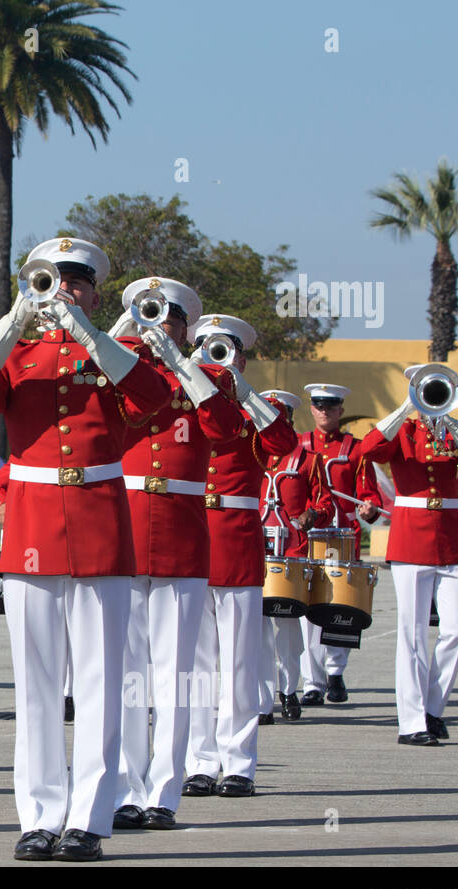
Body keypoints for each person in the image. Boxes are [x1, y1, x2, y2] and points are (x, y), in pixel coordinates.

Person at [0, 237, 171, 862]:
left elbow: (153, 400)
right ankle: (38, 817)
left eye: (77, 283)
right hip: (32, 527)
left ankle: (90, 818)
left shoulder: (118, 352)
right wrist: (16, 318)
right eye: (53, 281)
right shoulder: (16, 352)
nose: (65, 291)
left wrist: (91, 336)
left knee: (101, 682)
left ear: (96, 293)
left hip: (100, 523)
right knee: (37, 685)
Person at [109, 279, 244, 832]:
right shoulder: (119, 368)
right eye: (150, 315)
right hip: (125, 532)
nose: (158, 325)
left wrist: (180, 363)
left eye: (168, 318)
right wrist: (119, 334)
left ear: (188, 327)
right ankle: (122, 788)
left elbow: (229, 430)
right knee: (122, 674)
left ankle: (164, 791)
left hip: (184, 539)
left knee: (176, 675)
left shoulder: (211, 377)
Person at [182, 315, 297, 798]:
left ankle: (239, 764)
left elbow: (283, 444)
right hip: (191, 538)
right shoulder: (182, 401)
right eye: (207, 349)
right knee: (197, 664)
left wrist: (240, 386)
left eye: (225, 350)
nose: (216, 357)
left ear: (243, 357)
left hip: (237, 538)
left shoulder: (259, 408)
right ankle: (199, 762)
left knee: (240, 662)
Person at [356, 365, 458, 745]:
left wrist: (448, 417)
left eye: (436, 391)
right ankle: (412, 723)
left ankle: (432, 707)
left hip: (449, 539)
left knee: (457, 629)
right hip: (411, 538)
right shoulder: (404, 431)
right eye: (427, 392)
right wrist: (405, 407)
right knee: (413, 634)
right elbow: (369, 449)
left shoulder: (456, 432)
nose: (431, 399)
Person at [296, 384, 383, 704]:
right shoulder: (299, 446)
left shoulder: (356, 449)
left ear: (340, 411)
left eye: (331, 407)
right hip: (309, 536)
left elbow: (370, 493)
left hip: (343, 536)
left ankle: (335, 672)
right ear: (312, 409)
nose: (324, 412)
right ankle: (311, 683)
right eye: (319, 406)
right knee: (308, 606)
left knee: (340, 602)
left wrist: (369, 507)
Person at [257, 390, 333, 722]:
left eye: (279, 417)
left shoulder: (307, 459)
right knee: (256, 629)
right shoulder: (251, 452)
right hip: (254, 547)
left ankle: (288, 689)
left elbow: (326, 502)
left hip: (291, 551)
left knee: (287, 629)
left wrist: (312, 515)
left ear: (288, 421)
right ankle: (261, 700)